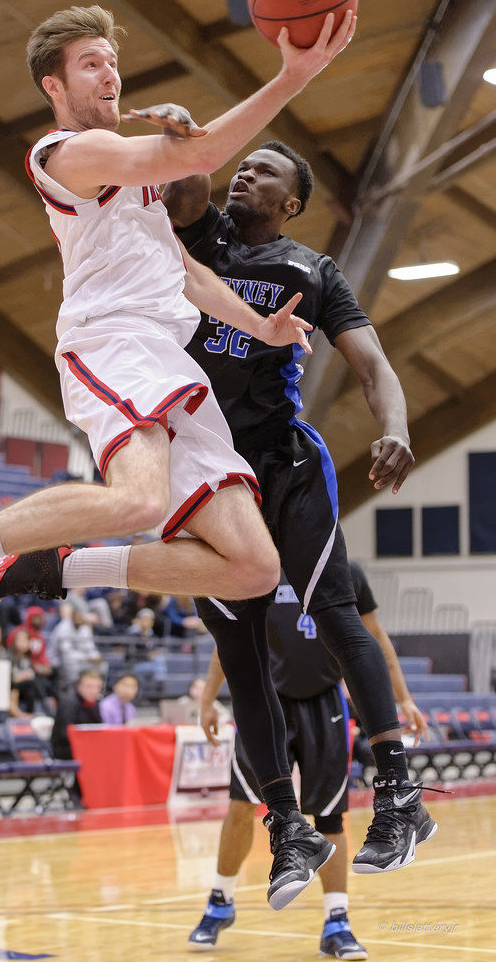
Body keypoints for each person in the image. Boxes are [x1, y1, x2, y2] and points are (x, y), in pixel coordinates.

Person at [0, 4, 355, 906]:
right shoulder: (62, 156)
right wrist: (293, 76)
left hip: (168, 355)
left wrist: (258, 322)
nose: (108, 75)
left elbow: (184, 273)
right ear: (54, 86)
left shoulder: (137, 178)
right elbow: (189, 160)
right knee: (135, 499)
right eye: (89, 64)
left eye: (114, 61)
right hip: (108, 344)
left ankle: (49, 570)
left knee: (252, 567)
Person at [160, 137, 436, 876]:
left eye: (265, 171)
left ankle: (399, 791)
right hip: (204, 469)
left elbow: (371, 363)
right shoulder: (199, 235)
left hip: (280, 461)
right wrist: (183, 130)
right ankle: (284, 825)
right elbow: (185, 179)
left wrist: (396, 427)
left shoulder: (313, 270)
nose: (244, 172)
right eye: (241, 164)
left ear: (291, 204)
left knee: (340, 615)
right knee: (240, 650)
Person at [189, 562, 429, 957]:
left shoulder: (343, 569)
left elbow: (373, 637)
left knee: (331, 815)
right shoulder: (256, 562)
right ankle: (220, 901)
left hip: (325, 704)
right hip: (266, 701)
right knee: (242, 804)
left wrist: (402, 697)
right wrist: (208, 697)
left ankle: (337, 921)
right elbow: (227, 640)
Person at [51, 668, 104, 763]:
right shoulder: (68, 703)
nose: (94, 691)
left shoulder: (95, 705)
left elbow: (100, 729)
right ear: (79, 686)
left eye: (97, 687)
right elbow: (64, 734)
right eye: (89, 686)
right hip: (66, 750)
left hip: (86, 748)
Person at [47, 605, 104, 693]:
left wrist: (96, 656)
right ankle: (73, 692)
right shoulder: (63, 627)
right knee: (72, 665)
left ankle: (97, 693)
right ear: (72, 616)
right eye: (76, 616)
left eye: (80, 616)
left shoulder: (84, 628)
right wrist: (87, 658)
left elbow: (90, 648)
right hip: (57, 660)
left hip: (80, 660)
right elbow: (66, 654)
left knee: (102, 666)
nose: (78, 619)